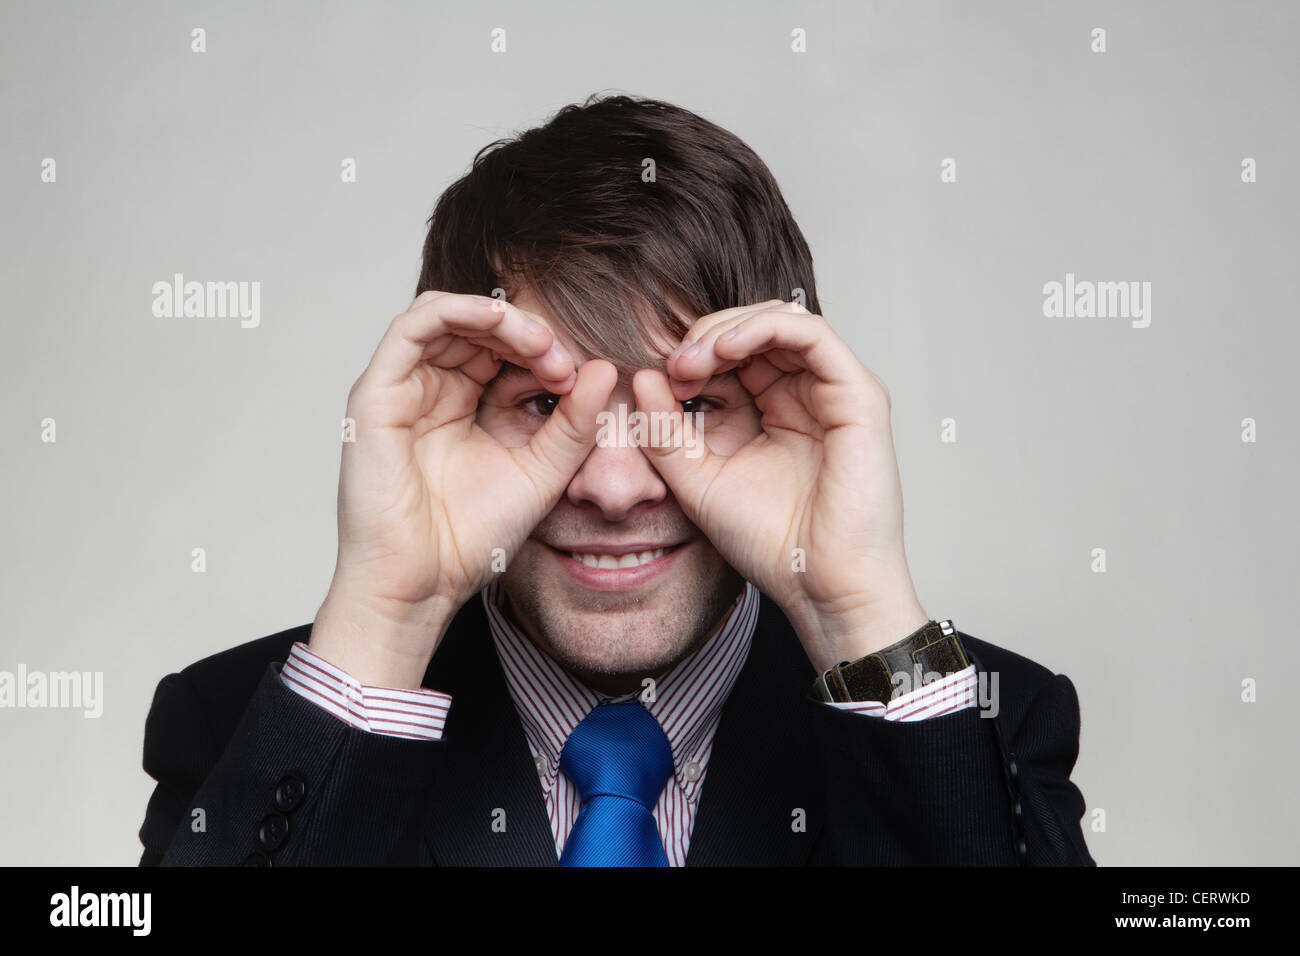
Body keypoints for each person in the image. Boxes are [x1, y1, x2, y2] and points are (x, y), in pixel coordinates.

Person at [138, 93, 1094, 867]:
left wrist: (855, 610)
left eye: (694, 407)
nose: (615, 485)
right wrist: (388, 616)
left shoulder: (975, 731)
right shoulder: (241, 734)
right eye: (548, 408)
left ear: (787, 419)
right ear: (451, 417)